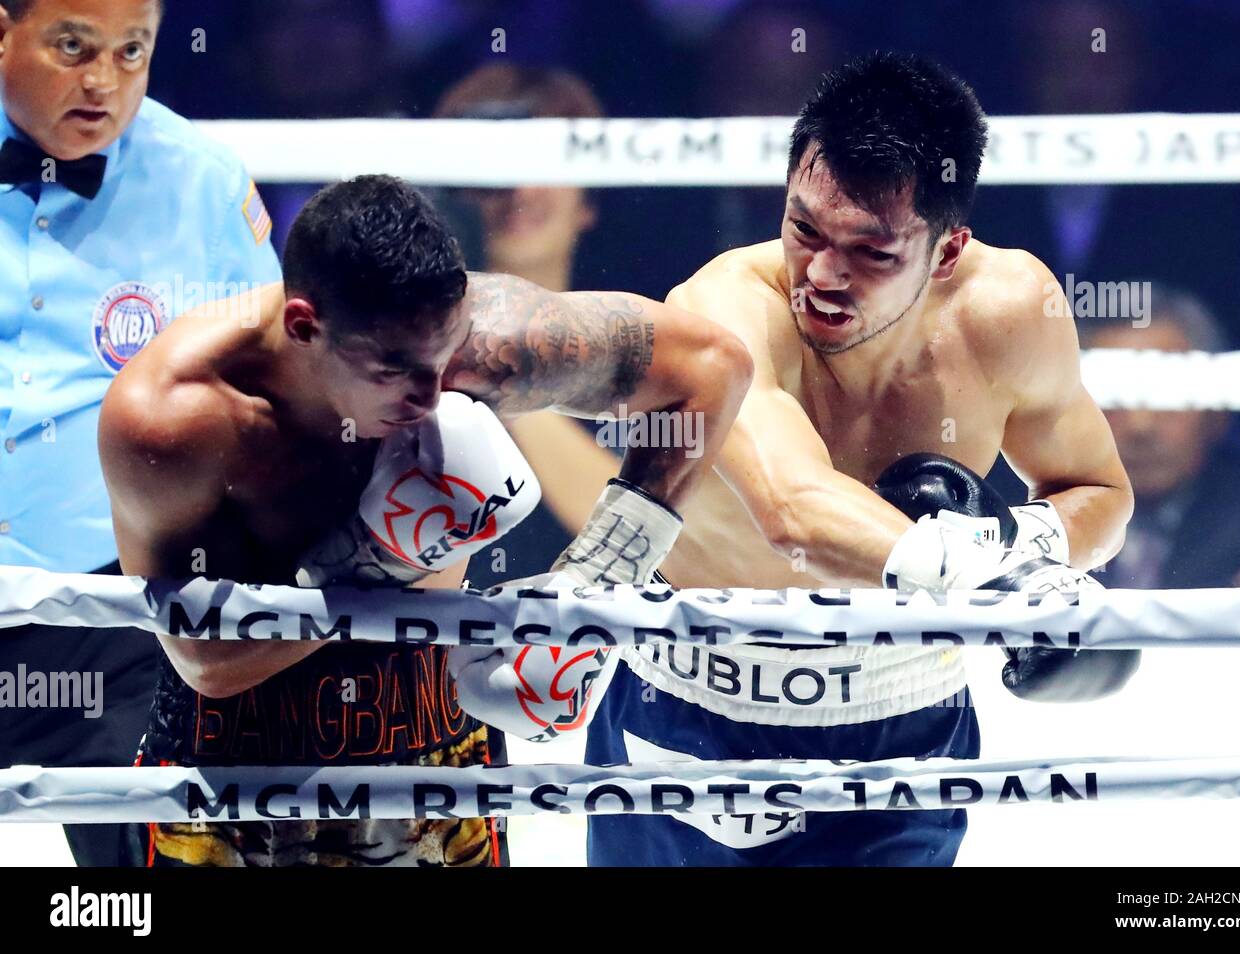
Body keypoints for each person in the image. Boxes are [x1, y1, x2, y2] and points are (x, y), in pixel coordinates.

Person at [509, 53, 1139, 866]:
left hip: (903, 712)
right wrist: (998, 573)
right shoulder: (723, 313)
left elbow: (1098, 491)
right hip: (690, 702)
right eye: (804, 230)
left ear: (947, 252)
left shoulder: (1009, 311)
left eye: (872, 252)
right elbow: (793, 512)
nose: (824, 276)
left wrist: (1028, 545)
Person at [98, 174, 752, 866]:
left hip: (431, 744)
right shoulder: (175, 415)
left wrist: (599, 574)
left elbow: (711, 369)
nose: (433, 392)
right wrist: (380, 556)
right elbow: (206, 660)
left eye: (448, 353)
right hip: (239, 767)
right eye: (395, 370)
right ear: (304, 327)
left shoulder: (478, 343)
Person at [0, 0, 282, 866]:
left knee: (140, 892)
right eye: (73, 47)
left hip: (109, 614)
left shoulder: (200, 183)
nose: (103, 81)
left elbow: (272, 400)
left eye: (133, 51)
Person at [435, 64, 612, 585]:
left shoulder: (647, 344)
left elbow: (650, 543)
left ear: (590, 198)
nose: (518, 189)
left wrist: (491, 361)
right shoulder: (402, 347)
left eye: (541, 160)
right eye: (492, 167)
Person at [1081, 286, 1240, 589]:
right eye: (1115, 397)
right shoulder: (1026, 514)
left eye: (1167, 394)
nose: (1140, 426)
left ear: (1217, 411)